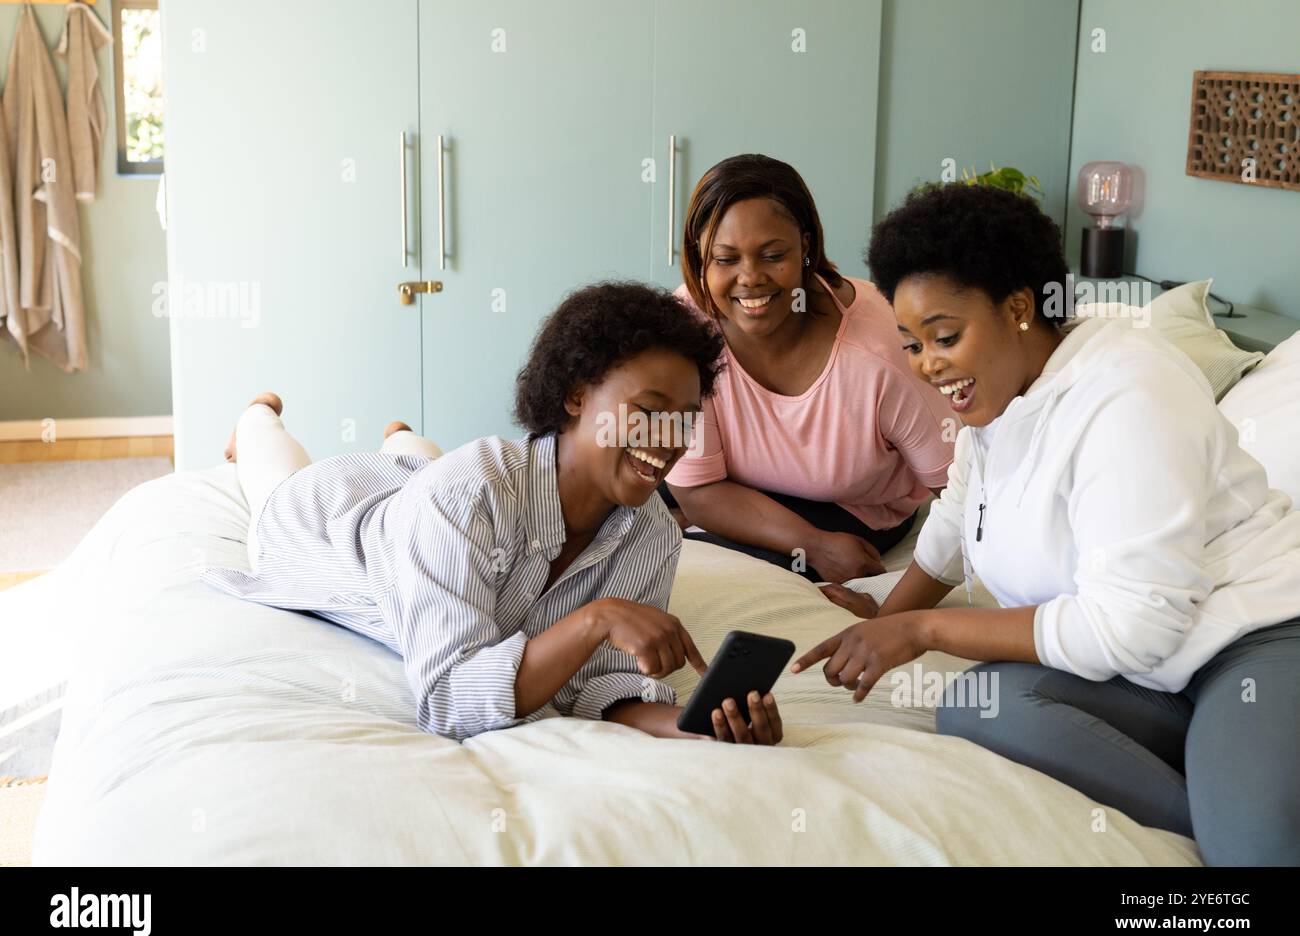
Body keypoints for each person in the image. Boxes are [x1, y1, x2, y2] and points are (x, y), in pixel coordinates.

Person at [792, 183, 1300, 865]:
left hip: (1249, 642)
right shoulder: (999, 394)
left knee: (1251, 849)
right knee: (979, 704)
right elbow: (952, 524)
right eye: (912, 344)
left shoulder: (1130, 395)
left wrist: (923, 628)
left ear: (1020, 308)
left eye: (944, 337)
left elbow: (1135, 624)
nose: (927, 365)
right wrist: (881, 623)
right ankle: (1217, 788)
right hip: (1145, 673)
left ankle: (1234, 803)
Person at [202, 281, 784, 746]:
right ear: (576, 396)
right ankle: (256, 415)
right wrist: (596, 618)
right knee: (274, 474)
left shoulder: (653, 533)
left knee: (424, 462)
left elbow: (596, 683)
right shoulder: (469, 492)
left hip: (421, 493)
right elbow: (451, 701)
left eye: (684, 417)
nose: (669, 439)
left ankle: (401, 438)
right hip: (328, 519)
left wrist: (694, 726)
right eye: (649, 410)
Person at [662, 154, 954, 617]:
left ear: (806, 246)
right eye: (725, 259)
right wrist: (811, 545)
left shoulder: (883, 352)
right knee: (613, 491)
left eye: (773, 255)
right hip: (722, 486)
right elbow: (698, 490)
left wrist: (894, 615)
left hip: (849, 509)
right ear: (700, 258)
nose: (750, 278)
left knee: (756, 568)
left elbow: (964, 495)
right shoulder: (686, 330)